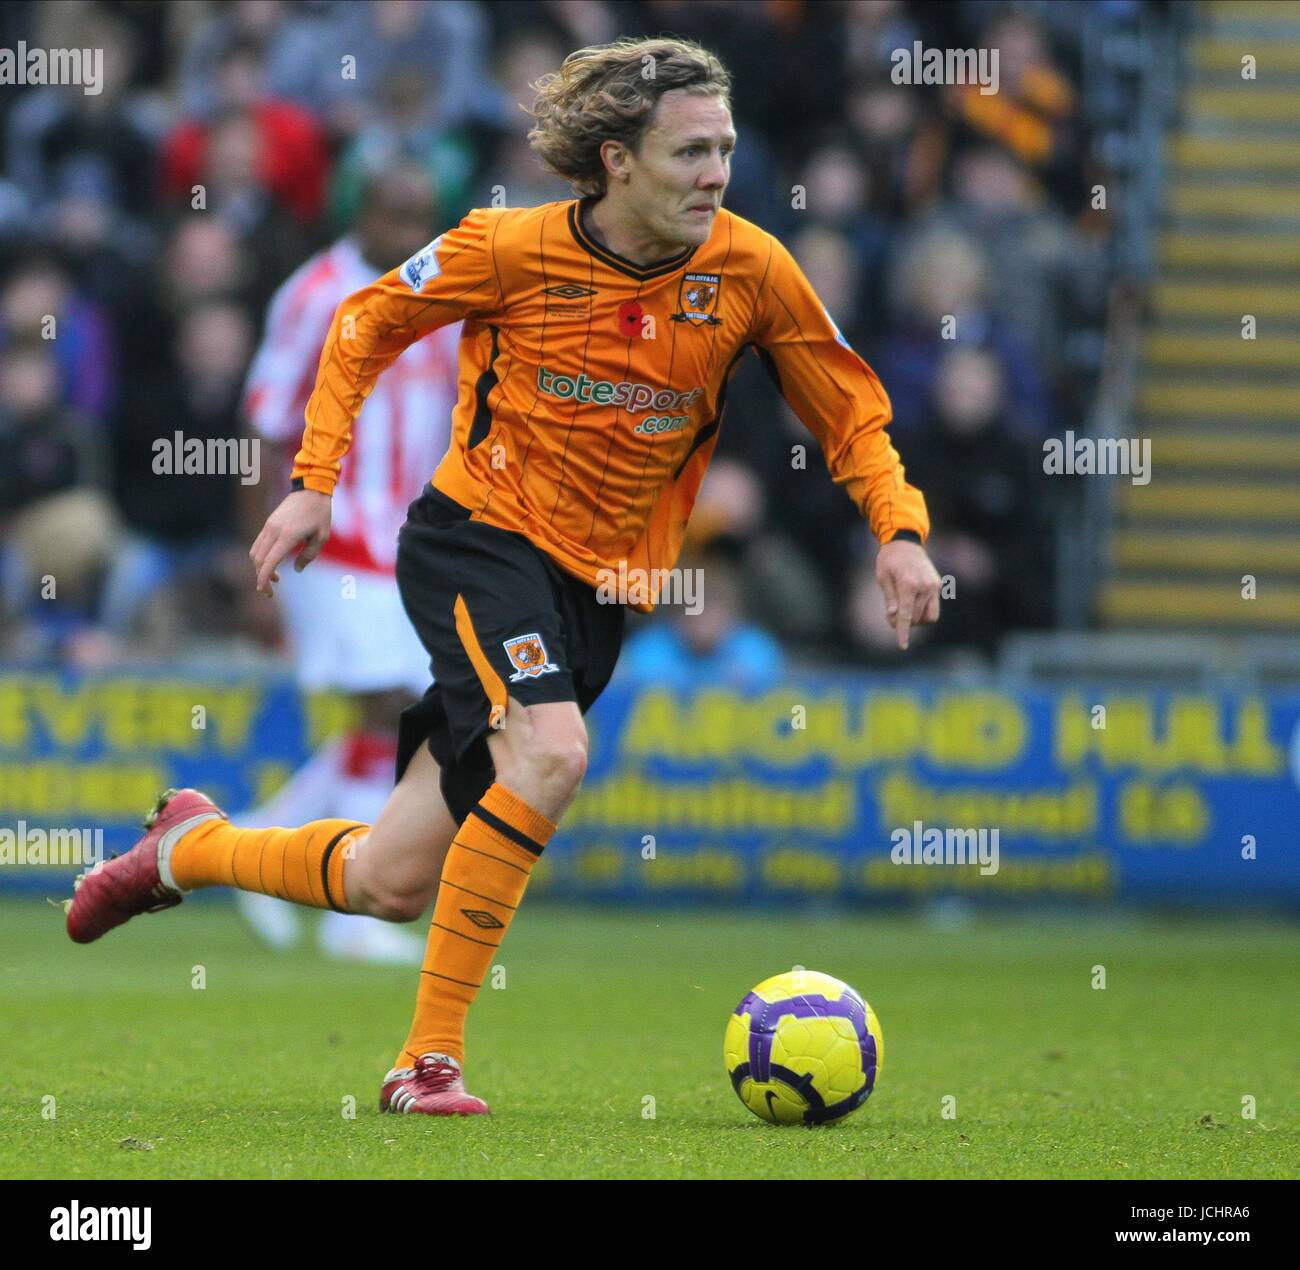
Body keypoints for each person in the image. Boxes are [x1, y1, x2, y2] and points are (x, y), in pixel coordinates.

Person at [66, 36, 941, 1116]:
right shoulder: (508, 247)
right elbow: (365, 320)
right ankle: (425, 1060)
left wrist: (896, 530)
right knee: (554, 750)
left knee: (387, 879)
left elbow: (845, 403)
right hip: (478, 541)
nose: (716, 173)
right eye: (690, 152)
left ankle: (189, 847)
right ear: (616, 161)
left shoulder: (752, 268)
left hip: (599, 594)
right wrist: (313, 480)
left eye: (723, 149)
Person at [234, 164, 460, 964]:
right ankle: (355, 914)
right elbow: (264, 422)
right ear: (361, 209)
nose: (409, 236)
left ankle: (255, 843)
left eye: (421, 219)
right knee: (397, 707)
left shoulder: (442, 295)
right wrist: (254, 546)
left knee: (413, 714)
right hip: (329, 536)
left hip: (412, 540)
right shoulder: (315, 293)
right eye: (396, 218)